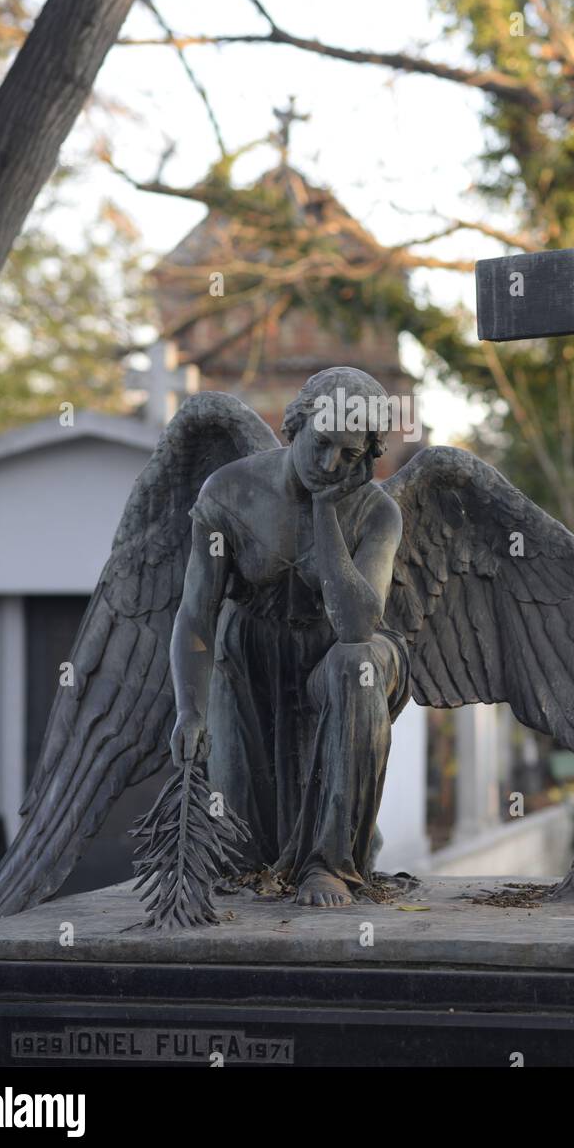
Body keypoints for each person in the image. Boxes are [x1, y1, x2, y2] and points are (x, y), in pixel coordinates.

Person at [169, 367, 409, 907]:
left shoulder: (376, 513)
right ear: (295, 426)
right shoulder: (229, 492)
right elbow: (196, 613)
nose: (329, 465)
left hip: (339, 657)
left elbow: (354, 623)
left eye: (349, 456)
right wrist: (190, 709)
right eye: (322, 445)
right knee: (241, 858)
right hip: (250, 657)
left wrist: (325, 510)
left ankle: (331, 865)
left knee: (357, 663)